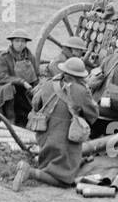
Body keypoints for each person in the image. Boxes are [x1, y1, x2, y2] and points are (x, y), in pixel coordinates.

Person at [12, 58, 99, 191]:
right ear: (80, 76)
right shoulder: (81, 90)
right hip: (64, 140)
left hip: (44, 135)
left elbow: (36, 104)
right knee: (65, 181)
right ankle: (30, 172)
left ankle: (39, 169)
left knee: (48, 162)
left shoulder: (48, 84)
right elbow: (93, 115)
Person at [0, 32, 39, 127]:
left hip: (26, 90)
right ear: (12, 42)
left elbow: (36, 76)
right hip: (5, 90)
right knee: (9, 88)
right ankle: (10, 119)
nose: (20, 44)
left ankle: (28, 117)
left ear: (26, 43)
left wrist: (35, 88)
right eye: (17, 41)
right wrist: (21, 82)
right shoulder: (3, 57)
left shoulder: (31, 57)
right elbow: (1, 77)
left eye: (23, 41)